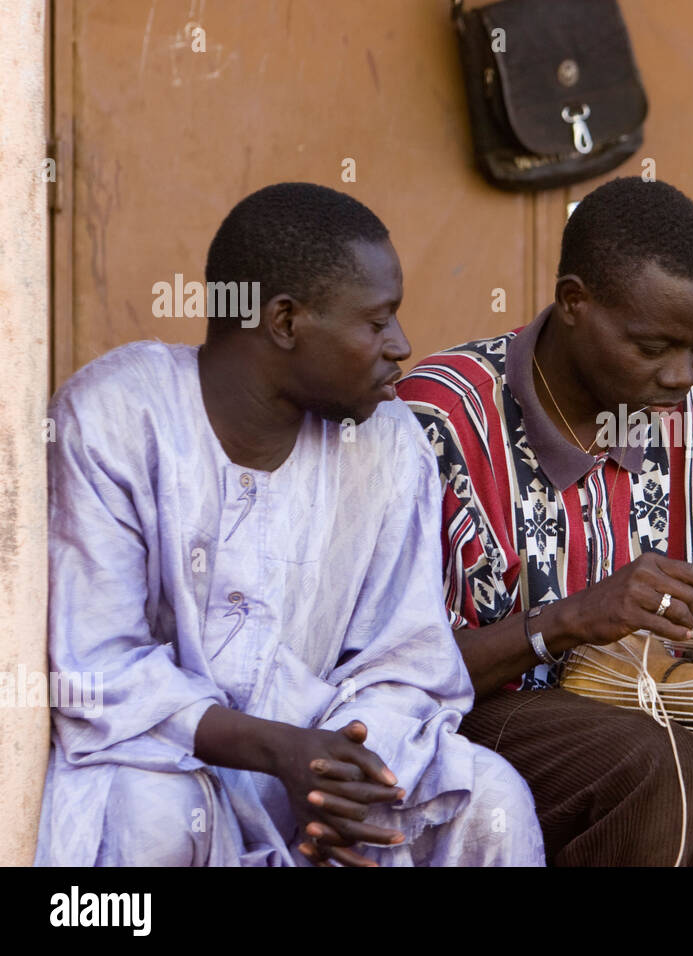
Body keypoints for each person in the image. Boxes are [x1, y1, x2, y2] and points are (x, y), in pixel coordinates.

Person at [37, 182, 544, 867]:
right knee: (152, 815)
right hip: (162, 760)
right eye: (377, 321)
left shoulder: (389, 446)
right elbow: (97, 667)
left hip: (326, 762)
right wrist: (279, 752)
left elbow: (407, 663)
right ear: (283, 322)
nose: (401, 345)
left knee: (491, 799)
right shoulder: (118, 416)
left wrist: (342, 777)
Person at [397, 177, 693, 866]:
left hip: (660, 707)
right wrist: (569, 619)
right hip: (481, 720)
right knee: (658, 771)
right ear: (574, 302)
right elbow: (398, 673)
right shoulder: (443, 418)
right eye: (652, 348)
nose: (681, 375)